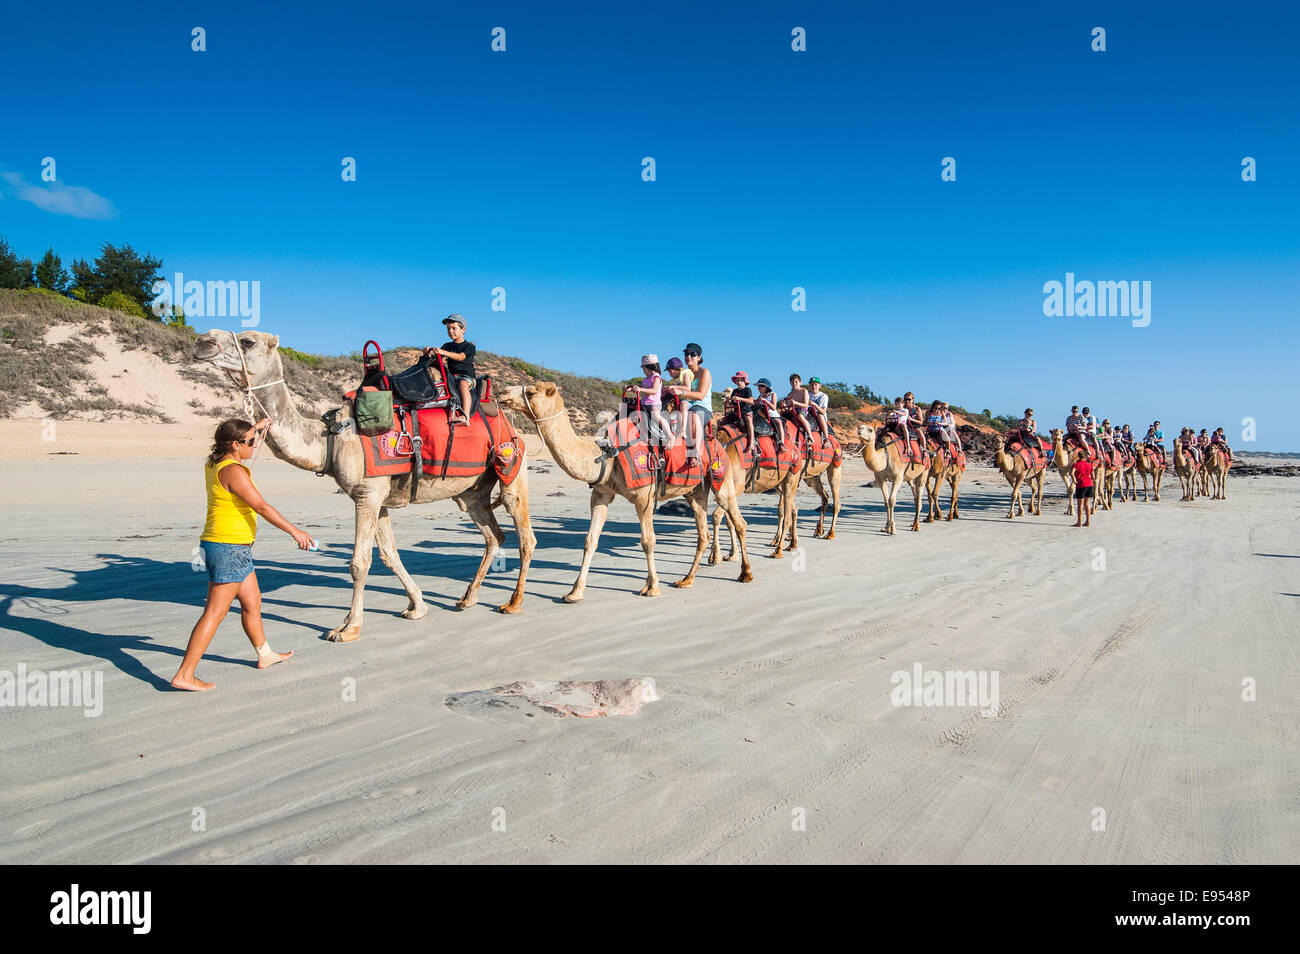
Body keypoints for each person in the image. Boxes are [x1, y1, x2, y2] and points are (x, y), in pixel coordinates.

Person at [172, 419, 313, 691]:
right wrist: (295, 532)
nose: (256, 445)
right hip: (229, 547)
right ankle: (185, 674)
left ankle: (265, 654)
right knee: (214, 613)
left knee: (252, 603)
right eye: (251, 442)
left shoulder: (215, 461)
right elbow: (261, 506)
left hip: (231, 547)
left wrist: (257, 427)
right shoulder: (235, 472)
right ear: (235, 446)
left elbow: (233, 432)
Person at [423, 314, 476, 425]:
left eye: (453, 328)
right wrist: (429, 353)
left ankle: (465, 416)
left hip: (466, 376)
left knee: (463, 384)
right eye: (448, 329)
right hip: (451, 376)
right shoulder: (447, 345)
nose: (450, 331)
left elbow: (461, 356)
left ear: (463, 330)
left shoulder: (469, 346)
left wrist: (443, 352)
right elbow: (438, 359)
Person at [669, 343, 713, 458]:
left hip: (702, 407)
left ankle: (696, 453)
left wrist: (681, 392)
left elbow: (701, 395)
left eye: (692, 354)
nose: (689, 357)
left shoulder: (705, 372)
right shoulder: (685, 373)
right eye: (686, 354)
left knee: (694, 416)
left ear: (699, 357)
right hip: (688, 405)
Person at [633, 354, 674, 442]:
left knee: (656, 415)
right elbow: (639, 388)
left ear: (646, 368)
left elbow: (654, 390)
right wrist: (629, 389)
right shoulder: (645, 379)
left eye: (643, 368)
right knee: (636, 415)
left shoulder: (656, 377)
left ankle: (670, 436)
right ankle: (644, 436)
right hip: (644, 403)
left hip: (654, 404)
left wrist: (640, 389)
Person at [783, 373, 816, 447]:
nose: (794, 383)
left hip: (803, 410)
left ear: (800, 382)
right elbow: (789, 406)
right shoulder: (790, 394)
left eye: (796, 382)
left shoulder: (804, 391)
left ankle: (810, 436)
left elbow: (806, 405)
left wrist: (795, 403)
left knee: (800, 416)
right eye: (792, 382)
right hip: (793, 411)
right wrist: (785, 406)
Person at [729, 371, 758, 449]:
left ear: (745, 381)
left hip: (745, 411)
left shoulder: (747, 390)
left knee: (749, 421)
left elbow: (751, 401)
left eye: (741, 380)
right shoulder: (735, 391)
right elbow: (731, 402)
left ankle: (752, 442)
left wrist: (739, 399)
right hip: (736, 412)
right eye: (737, 380)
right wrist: (730, 401)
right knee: (721, 421)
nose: (739, 382)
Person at [755, 378, 785, 447]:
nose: (758, 388)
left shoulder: (772, 394)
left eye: (760, 387)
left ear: (766, 387)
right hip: (762, 414)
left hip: (772, 415)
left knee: (779, 422)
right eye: (758, 387)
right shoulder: (760, 396)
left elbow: (774, 407)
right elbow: (756, 403)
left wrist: (765, 401)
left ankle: (781, 442)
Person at [1072, 454, 1094, 527]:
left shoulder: (1076, 464)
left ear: (1078, 457)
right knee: (1087, 504)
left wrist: (1074, 480)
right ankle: (1088, 521)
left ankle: (1079, 522)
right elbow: (1093, 476)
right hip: (1089, 485)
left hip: (1081, 485)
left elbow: (1071, 473)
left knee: (1080, 505)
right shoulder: (1089, 465)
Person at [807, 377, 831, 442]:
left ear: (819, 386)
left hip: (818, 415)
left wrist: (815, 405)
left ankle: (826, 439)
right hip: (808, 414)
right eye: (812, 385)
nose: (813, 386)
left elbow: (823, 412)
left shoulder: (823, 396)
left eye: (815, 385)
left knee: (820, 416)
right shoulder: (807, 394)